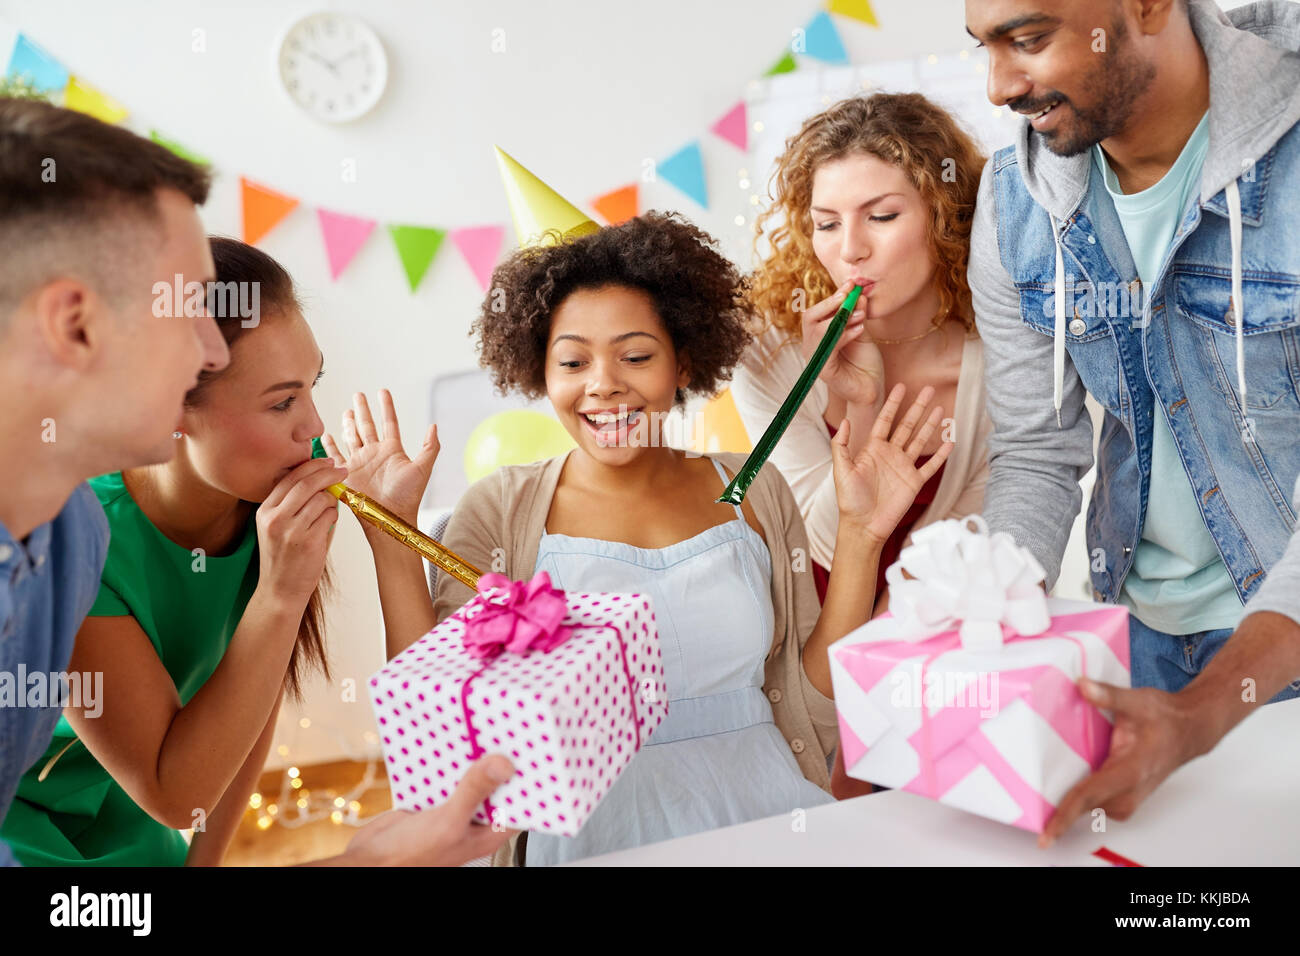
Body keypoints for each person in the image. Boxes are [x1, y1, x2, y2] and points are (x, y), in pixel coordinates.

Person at [329, 211, 954, 865]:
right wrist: (389, 539)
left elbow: (808, 692)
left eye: (635, 355)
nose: (604, 383)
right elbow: (444, 726)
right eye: (573, 360)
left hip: (766, 818)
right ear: (541, 373)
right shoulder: (502, 509)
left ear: (682, 362)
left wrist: (860, 534)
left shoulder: (754, 488)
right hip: (590, 840)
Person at [0, 97, 510, 867]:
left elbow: (238, 729)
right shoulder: (91, 541)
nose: (210, 345)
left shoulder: (70, 535)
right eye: (184, 310)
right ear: (74, 324)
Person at [963, 0, 1300, 845]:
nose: (1002, 84)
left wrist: (1205, 713)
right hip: (1136, 645)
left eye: (1029, 40)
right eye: (986, 48)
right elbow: (1038, 453)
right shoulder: (1015, 204)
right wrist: (988, 636)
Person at [733, 92, 991, 611]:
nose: (850, 249)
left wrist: (881, 661)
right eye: (827, 224)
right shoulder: (766, 358)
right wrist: (862, 402)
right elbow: (822, 544)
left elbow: (972, 549)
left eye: (882, 216)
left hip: (936, 626)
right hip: (799, 643)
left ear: (946, 216)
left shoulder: (1002, 354)